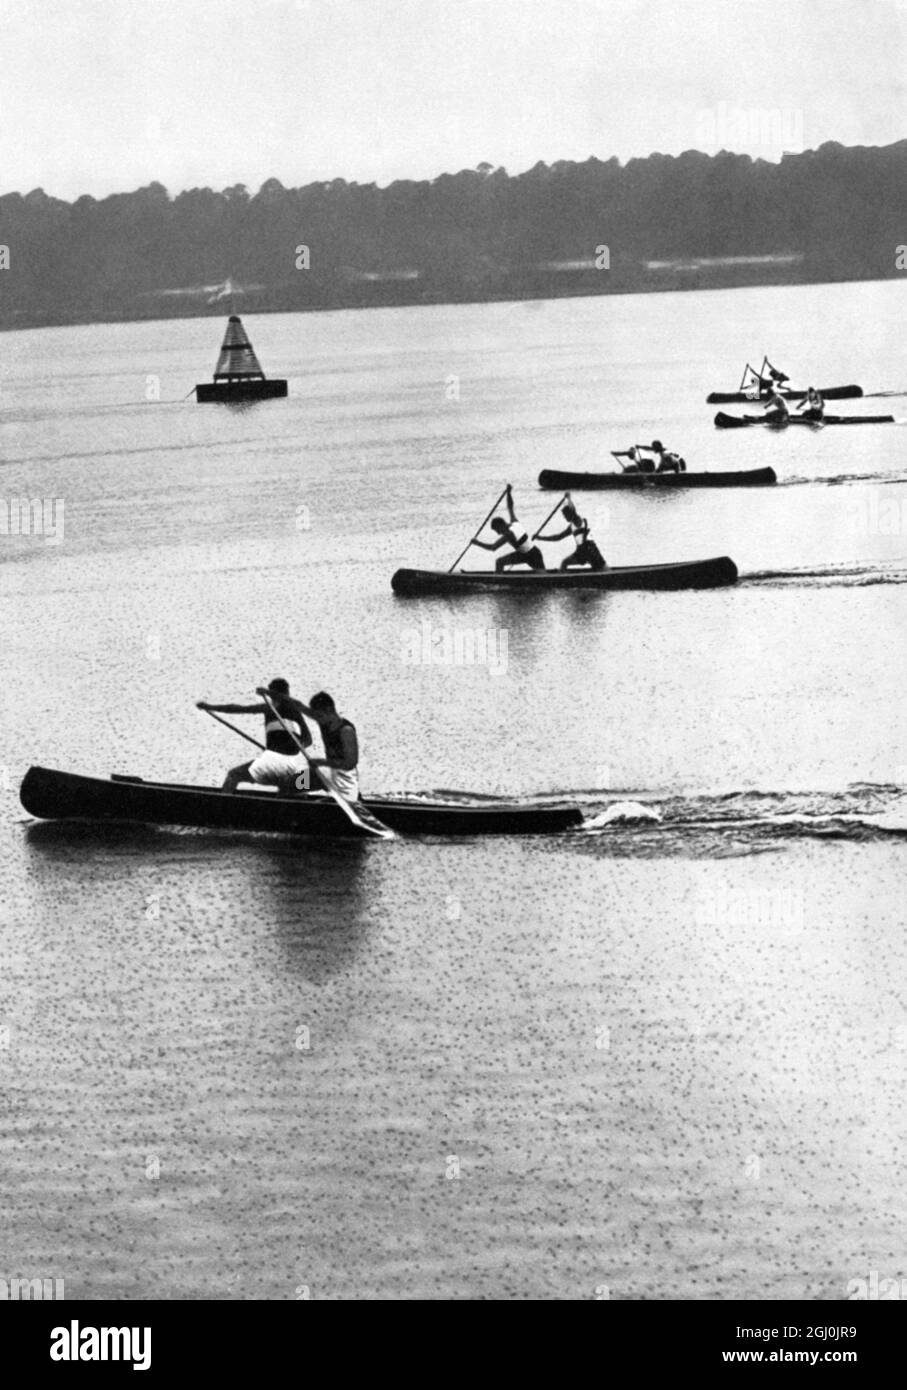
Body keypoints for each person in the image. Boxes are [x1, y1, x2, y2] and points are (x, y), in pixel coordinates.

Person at [198, 678, 312, 793]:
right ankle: (300, 796)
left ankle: (220, 805)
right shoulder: (288, 711)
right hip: (294, 766)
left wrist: (210, 707)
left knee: (234, 775)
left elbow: (238, 709)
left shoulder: (278, 708)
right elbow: (308, 740)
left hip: (277, 763)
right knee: (299, 787)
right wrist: (211, 707)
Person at [257, 688, 361, 801]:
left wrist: (321, 762)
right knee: (288, 786)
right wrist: (268, 693)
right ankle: (297, 807)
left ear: (329, 710)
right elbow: (297, 704)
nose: (318, 720)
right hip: (325, 775)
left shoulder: (346, 731)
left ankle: (351, 798)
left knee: (333, 797)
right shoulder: (324, 721)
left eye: (319, 716)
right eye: (316, 716)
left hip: (345, 780)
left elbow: (350, 763)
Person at [470, 486, 545, 571]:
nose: (498, 533)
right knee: (542, 576)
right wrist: (509, 493)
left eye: (497, 530)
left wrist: (477, 543)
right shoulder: (514, 522)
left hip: (530, 555)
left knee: (499, 562)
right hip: (534, 552)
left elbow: (493, 547)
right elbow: (510, 507)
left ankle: (498, 582)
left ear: (501, 525)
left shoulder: (509, 534)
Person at [536, 502, 606, 570]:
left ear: (571, 513)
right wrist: (540, 537)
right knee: (564, 562)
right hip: (581, 551)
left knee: (602, 569)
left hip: (590, 549)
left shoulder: (578, 520)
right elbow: (558, 537)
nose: (564, 517)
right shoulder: (571, 527)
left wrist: (568, 498)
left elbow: (573, 509)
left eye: (565, 515)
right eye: (564, 516)